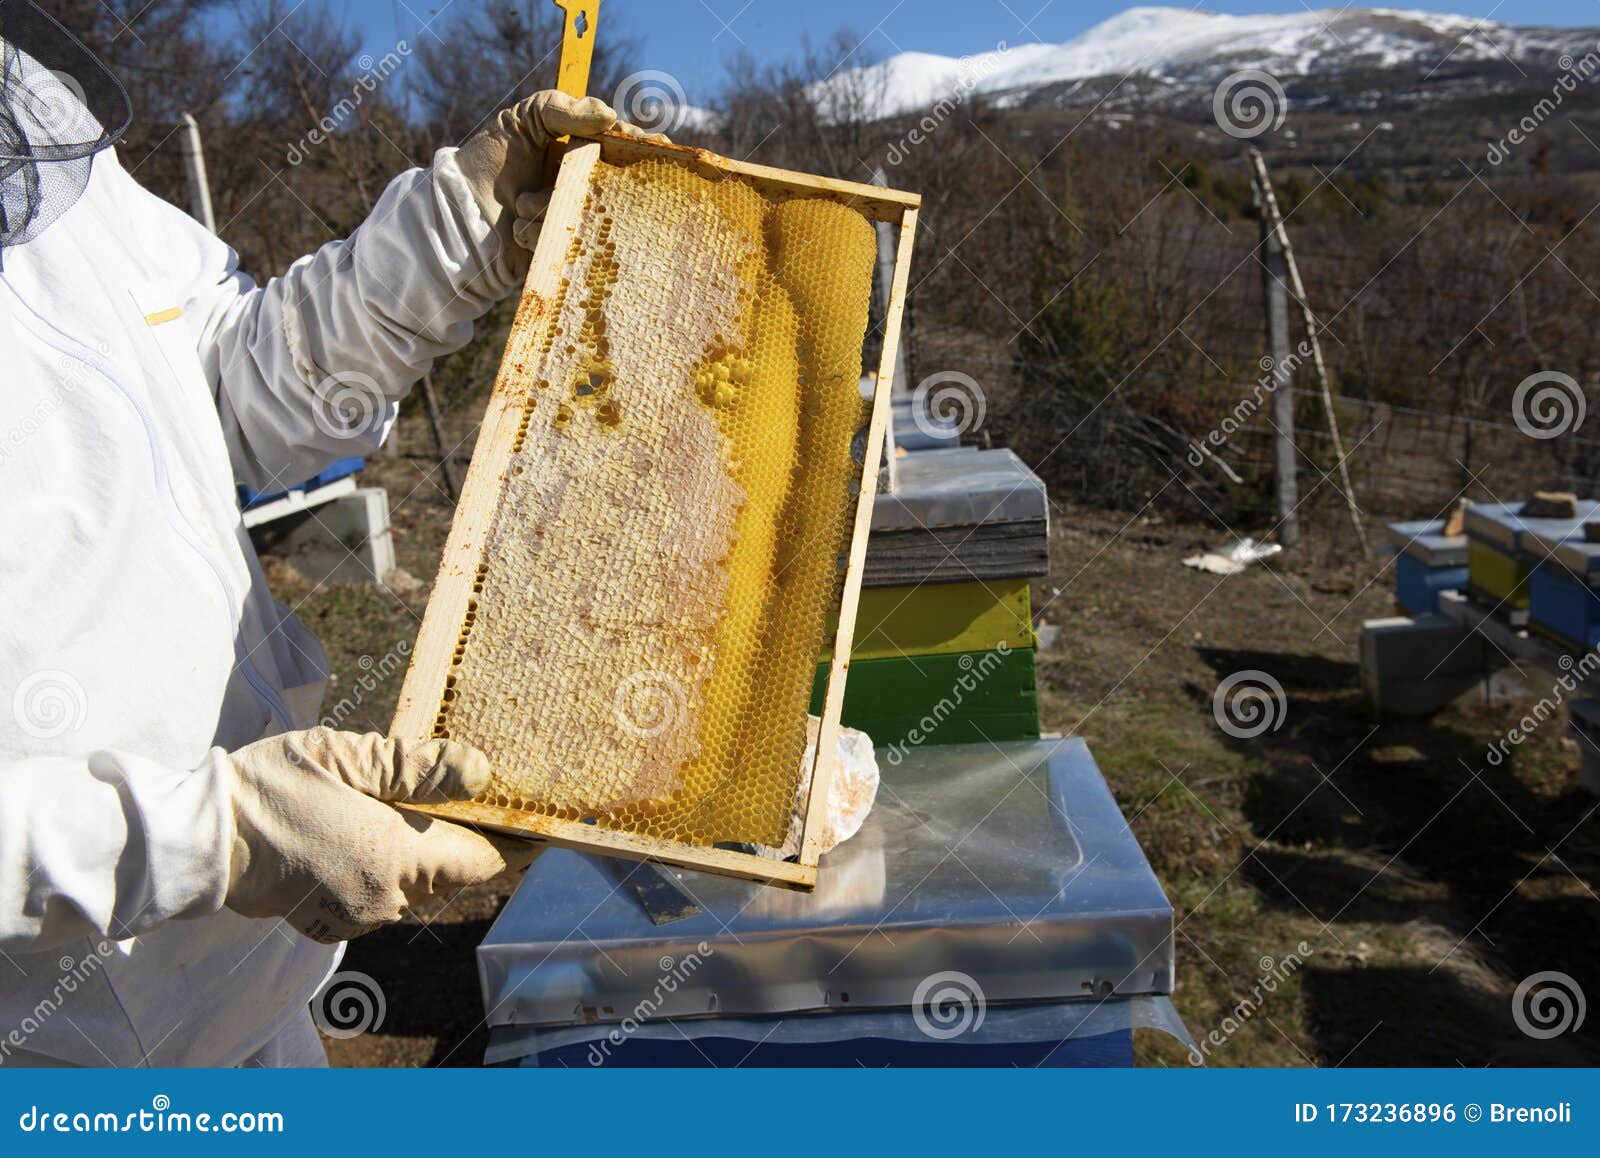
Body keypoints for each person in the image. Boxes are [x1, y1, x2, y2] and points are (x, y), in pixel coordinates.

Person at [0, 2, 661, 1066]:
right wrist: (205, 836)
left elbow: (233, 397)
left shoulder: (30, 101)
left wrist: (457, 232)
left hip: (251, 989)